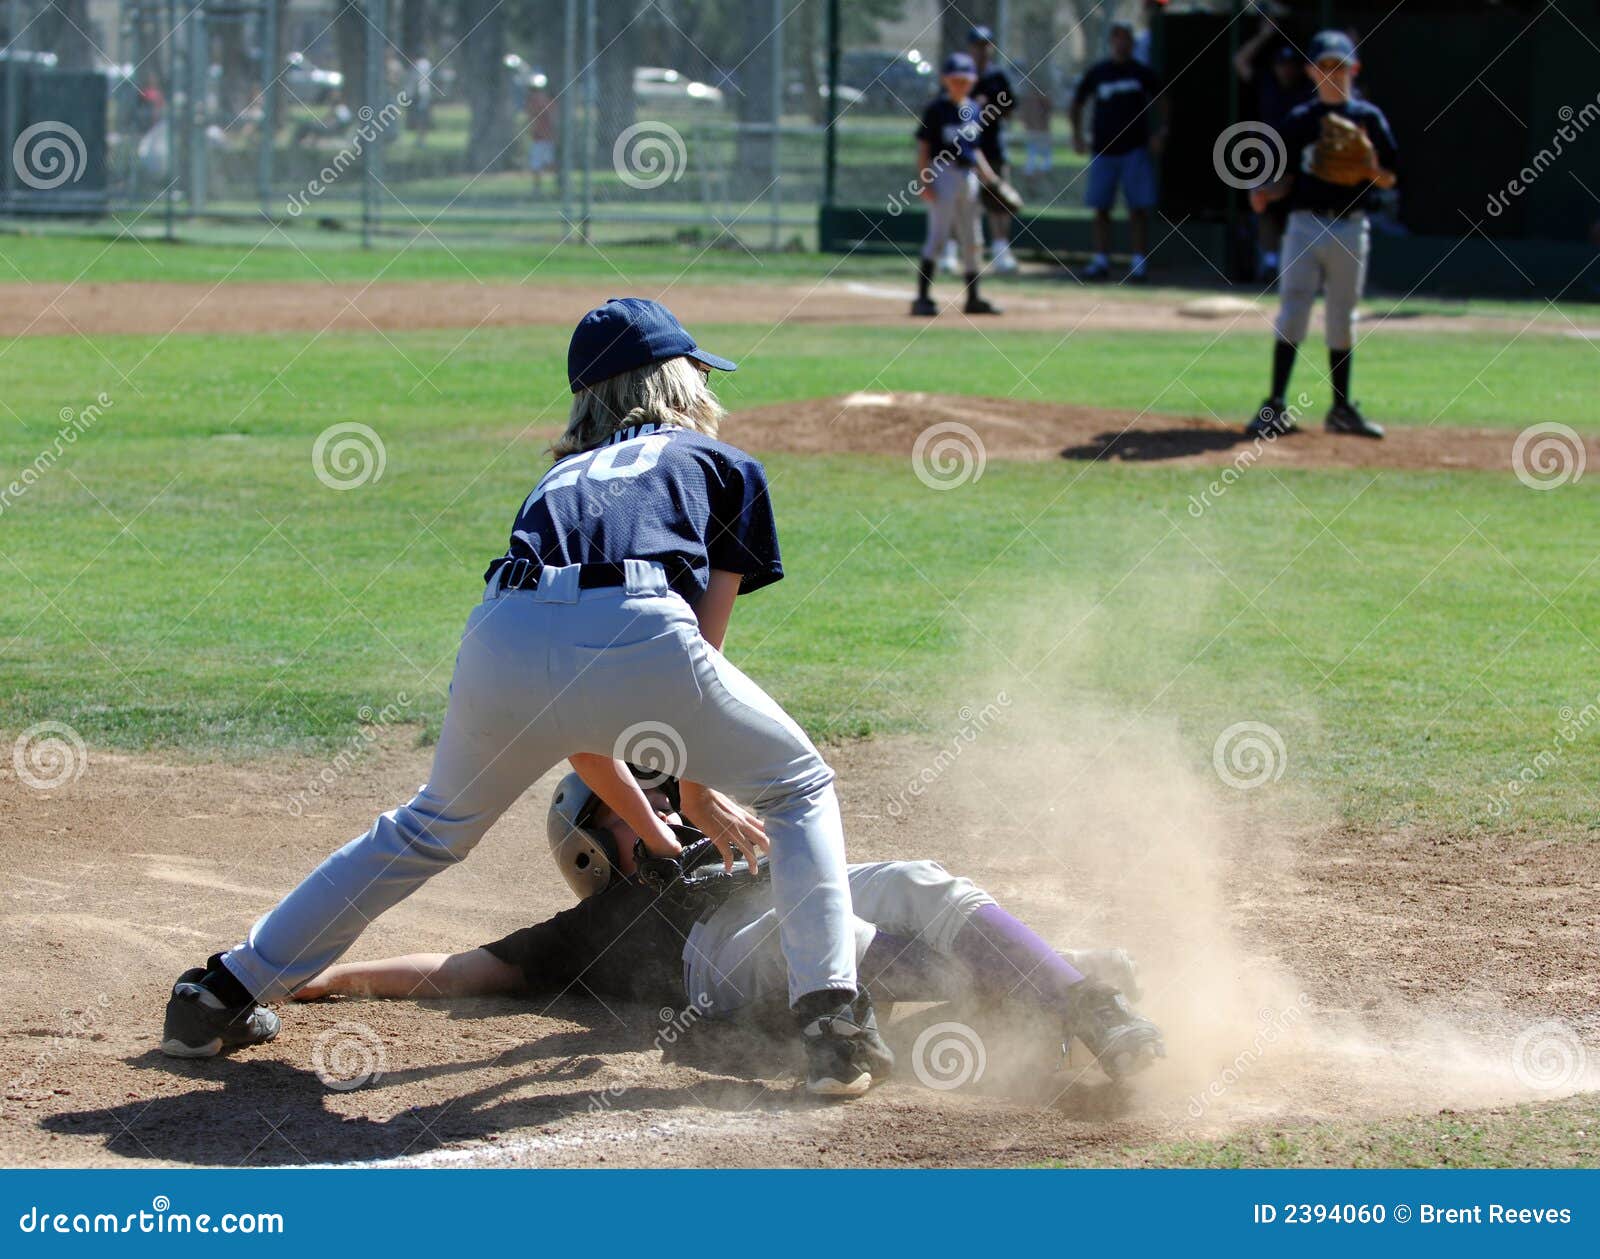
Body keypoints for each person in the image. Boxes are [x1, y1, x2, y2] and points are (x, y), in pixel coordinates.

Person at [161, 298, 894, 1099]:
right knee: (798, 785)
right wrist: (693, 786)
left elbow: (577, 719)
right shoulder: (722, 465)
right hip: (640, 616)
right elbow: (698, 656)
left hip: (502, 628)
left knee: (426, 828)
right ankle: (831, 1025)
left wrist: (671, 799)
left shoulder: (557, 480)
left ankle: (218, 994)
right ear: (675, 384)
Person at [292, 772, 1167, 1085]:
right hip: (718, 954)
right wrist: (330, 974)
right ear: (592, 848)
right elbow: (456, 968)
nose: (659, 803)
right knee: (821, 939)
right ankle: (1029, 993)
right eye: (628, 806)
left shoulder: (719, 829)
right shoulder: (598, 923)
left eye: (657, 790)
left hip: (788, 891)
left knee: (911, 878)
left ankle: (1084, 1003)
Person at [1246, 30, 1397, 440]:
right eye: (1324, 66)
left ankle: (1341, 409)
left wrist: (1369, 168)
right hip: (1304, 224)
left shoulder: (1368, 119)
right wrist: (1265, 194)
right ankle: (1274, 405)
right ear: (1311, 71)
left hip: (1351, 225)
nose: (1332, 74)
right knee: (1293, 311)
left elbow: (1389, 178)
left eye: (1339, 66)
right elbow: (1285, 179)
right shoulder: (1299, 121)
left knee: (1341, 318)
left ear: (1354, 69)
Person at [1071, 21, 1168, 283]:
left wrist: (1162, 132)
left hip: (1134, 150)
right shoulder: (1098, 72)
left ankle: (1138, 262)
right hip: (1103, 150)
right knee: (1101, 207)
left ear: (1132, 43)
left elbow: (1162, 100)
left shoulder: (1141, 73)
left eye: (1126, 38)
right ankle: (1101, 260)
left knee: (1138, 208)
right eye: (1117, 38)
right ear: (1111, 41)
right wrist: (1077, 135)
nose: (1121, 43)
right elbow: (1078, 102)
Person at [911, 53, 1002, 317]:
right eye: (955, 79)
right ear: (945, 80)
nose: (960, 84)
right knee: (938, 236)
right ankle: (922, 298)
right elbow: (924, 148)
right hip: (942, 174)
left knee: (972, 239)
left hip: (968, 176)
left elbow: (974, 150)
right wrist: (924, 180)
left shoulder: (973, 109)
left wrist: (991, 179)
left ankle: (973, 298)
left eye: (965, 80)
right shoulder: (937, 109)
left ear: (972, 81)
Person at [1234, 23, 1313, 281]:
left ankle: (1296, 264)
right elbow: (1240, 61)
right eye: (1282, 64)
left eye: (1291, 65)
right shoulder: (1265, 82)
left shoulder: (1307, 89)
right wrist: (1264, 34)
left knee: (1297, 211)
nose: (1286, 70)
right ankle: (1270, 263)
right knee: (1265, 206)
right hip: (1269, 156)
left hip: (1299, 159)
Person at [969, 25, 1019, 274]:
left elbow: (1010, 110)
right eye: (977, 45)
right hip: (966, 148)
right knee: (966, 201)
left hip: (993, 146)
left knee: (999, 198)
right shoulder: (962, 75)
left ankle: (1001, 250)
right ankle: (956, 251)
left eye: (985, 45)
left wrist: (989, 106)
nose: (981, 50)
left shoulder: (998, 77)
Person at [526, 81, 556, 195]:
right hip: (538, 139)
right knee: (537, 165)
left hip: (546, 138)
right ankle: (537, 189)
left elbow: (552, 118)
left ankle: (559, 187)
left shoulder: (546, 103)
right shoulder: (532, 103)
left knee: (549, 164)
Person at [1132, 0, 1169, 68]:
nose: (1153, 13)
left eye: (1158, 8)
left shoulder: (1170, 37)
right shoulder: (1138, 41)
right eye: (1149, 7)